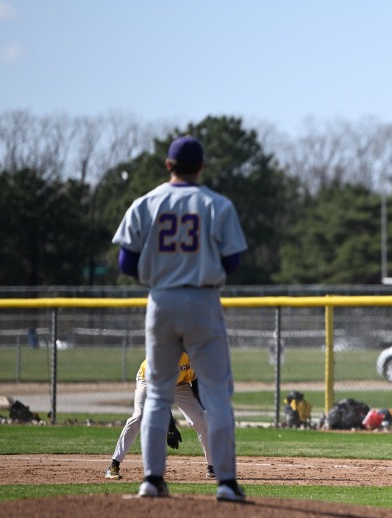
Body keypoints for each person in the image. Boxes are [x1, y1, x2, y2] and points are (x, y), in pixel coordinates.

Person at [112, 135, 248, 501]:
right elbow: (233, 261)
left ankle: (153, 480)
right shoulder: (216, 204)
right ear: (201, 166)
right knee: (217, 395)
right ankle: (225, 483)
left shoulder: (146, 203)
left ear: (168, 165)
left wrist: (160, 271)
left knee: (156, 394)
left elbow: (125, 262)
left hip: (161, 300)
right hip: (203, 300)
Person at [105, 354, 214, 480]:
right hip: (150, 381)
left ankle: (212, 466)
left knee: (202, 419)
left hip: (179, 383)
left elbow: (196, 383)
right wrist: (170, 427)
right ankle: (114, 464)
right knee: (139, 417)